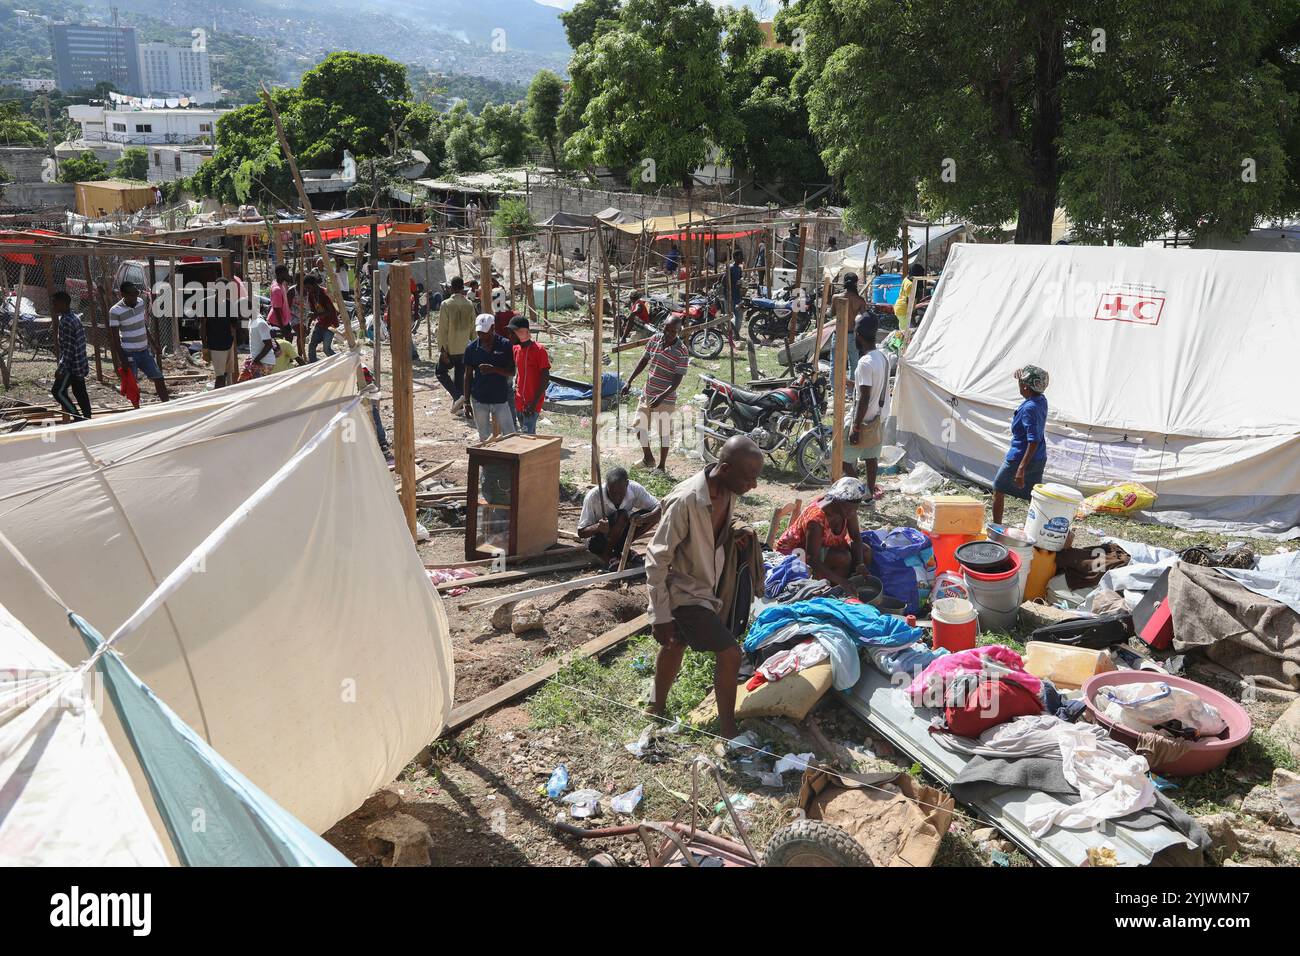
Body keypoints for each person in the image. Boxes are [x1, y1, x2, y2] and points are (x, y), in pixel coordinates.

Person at [646, 435, 764, 741]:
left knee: (675, 644)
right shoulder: (686, 500)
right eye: (748, 478)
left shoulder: (728, 490)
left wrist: (733, 532)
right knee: (731, 655)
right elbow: (656, 559)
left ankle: (654, 707)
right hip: (684, 593)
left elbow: (712, 533)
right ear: (724, 469)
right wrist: (659, 615)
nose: (753, 486)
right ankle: (728, 730)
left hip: (706, 586)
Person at [621, 315, 689, 472]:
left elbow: (677, 381)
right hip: (648, 393)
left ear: (679, 331)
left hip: (666, 398)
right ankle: (648, 458)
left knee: (664, 434)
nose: (669, 333)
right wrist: (629, 381)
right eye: (667, 329)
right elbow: (643, 361)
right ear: (663, 326)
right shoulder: (654, 339)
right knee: (639, 427)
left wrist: (662, 397)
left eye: (674, 331)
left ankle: (661, 466)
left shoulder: (682, 351)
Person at [774, 477, 870, 586]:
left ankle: (850, 583)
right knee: (842, 558)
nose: (852, 513)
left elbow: (856, 537)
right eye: (848, 509)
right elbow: (812, 559)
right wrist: (841, 581)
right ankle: (835, 589)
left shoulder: (847, 508)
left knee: (865, 551)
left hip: (822, 547)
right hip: (796, 552)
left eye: (855, 509)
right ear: (836, 501)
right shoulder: (816, 520)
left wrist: (860, 564)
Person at [992, 365, 1050, 525]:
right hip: (1039, 457)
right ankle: (1037, 527)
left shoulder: (1029, 408)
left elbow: (1033, 439)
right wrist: (1022, 374)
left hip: (1020, 457)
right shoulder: (1040, 400)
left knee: (998, 488)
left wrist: (1021, 468)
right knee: (1034, 496)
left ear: (1025, 387)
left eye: (1020, 383)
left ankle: (997, 526)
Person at [578, 466, 662, 567]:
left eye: (621, 493)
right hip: (598, 541)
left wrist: (644, 519)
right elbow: (581, 532)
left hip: (619, 535)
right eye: (613, 493)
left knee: (651, 514)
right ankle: (607, 554)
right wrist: (598, 527)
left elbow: (660, 508)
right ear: (607, 486)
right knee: (622, 516)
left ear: (627, 484)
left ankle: (621, 549)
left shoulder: (635, 489)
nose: (617, 497)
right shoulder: (593, 496)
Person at [843, 315, 889, 497]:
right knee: (871, 458)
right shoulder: (882, 358)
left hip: (864, 419)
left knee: (840, 458)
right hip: (879, 417)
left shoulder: (864, 362)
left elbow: (864, 397)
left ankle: (861, 492)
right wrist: (852, 384)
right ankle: (869, 491)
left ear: (859, 335)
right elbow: (873, 386)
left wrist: (855, 426)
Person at [108, 281, 169, 402]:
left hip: (144, 351)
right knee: (132, 385)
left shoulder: (140, 303)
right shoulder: (115, 311)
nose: (135, 297)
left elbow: (143, 325)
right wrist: (122, 359)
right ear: (123, 294)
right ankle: (136, 411)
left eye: (136, 293)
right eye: (131, 295)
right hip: (129, 353)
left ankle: (167, 405)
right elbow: (115, 339)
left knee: (159, 378)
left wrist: (153, 344)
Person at [462, 313, 517, 441]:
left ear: (493, 328)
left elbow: (512, 371)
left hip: (500, 399)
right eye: (479, 332)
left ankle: (510, 459)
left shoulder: (505, 345)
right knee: (484, 438)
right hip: (479, 399)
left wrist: (494, 369)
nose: (481, 335)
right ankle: (489, 461)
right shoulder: (471, 348)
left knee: (510, 435)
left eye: (484, 332)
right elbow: (468, 375)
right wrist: (466, 401)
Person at [436, 276, 476, 412]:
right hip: (465, 348)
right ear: (462, 288)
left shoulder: (446, 304)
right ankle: (458, 406)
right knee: (459, 376)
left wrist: (442, 350)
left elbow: (442, 329)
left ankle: (458, 396)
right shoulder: (469, 304)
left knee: (440, 372)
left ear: (451, 288)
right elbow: (473, 329)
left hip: (451, 348)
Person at [51, 291, 91, 420]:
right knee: (79, 391)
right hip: (79, 363)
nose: (53, 306)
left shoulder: (66, 322)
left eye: (55, 303)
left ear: (63, 304)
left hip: (71, 366)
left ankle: (77, 417)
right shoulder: (73, 317)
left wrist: (61, 369)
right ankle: (87, 417)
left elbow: (68, 350)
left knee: (57, 391)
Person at [508, 315, 550, 434]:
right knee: (526, 433)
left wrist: (534, 402)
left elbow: (545, 377)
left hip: (532, 402)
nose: (510, 336)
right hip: (519, 401)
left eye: (512, 333)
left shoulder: (539, 350)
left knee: (527, 435)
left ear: (522, 333)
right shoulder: (516, 349)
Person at [202, 278, 239, 388]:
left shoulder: (229, 304)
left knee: (226, 373)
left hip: (228, 343)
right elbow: (202, 325)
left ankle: (221, 397)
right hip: (215, 345)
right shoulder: (206, 303)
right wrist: (204, 345)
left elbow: (234, 325)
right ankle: (216, 399)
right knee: (220, 376)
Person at [303, 273, 339, 362]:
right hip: (320, 323)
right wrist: (308, 325)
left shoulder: (324, 293)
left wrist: (315, 315)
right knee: (311, 346)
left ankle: (340, 363)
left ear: (314, 285)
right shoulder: (311, 295)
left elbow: (330, 311)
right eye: (306, 288)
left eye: (308, 288)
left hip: (330, 324)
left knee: (326, 349)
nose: (307, 290)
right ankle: (313, 364)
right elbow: (313, 311)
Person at [243, 308, 277, 380]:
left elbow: (268, 345)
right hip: (260, 361)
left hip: (264, 362)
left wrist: (256, 360)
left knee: (262, 387)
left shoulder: (260, 323)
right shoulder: (252, 321)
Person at [267, 265, 292, 330]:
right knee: (287, 338)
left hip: (283, 320)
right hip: (277, 322)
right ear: (281, 274)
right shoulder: (277, 289)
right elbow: (276, 309)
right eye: (286, 273)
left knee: (289, 337)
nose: (288, 275)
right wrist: (282, 327)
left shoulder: (279, 284)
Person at [727, 250, 745, 334]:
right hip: (731, 295)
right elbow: (724, 281)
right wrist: (733, 284)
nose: (742, 258)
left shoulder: (739, 268)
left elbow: (740, 279)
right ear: (735, 257)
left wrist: (741, 283)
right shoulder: (731, 268)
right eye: (740, 256)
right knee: (735, 315)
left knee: (739, 315)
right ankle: (734, 333)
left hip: (737, 295)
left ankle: (736, 333)